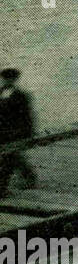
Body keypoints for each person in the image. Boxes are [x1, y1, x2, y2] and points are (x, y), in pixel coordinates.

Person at [0, 68, 37, 196]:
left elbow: (27, 116)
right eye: (6, 79)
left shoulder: (21, 96)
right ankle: (29, 176)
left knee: (9, 158)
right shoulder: (1, 92)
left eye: (10, 79)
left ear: (15, 80)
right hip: (3, 133)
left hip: (15, 133)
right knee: (13, 157)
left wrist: (29, 133)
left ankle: (2, 188)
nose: (8, 81)